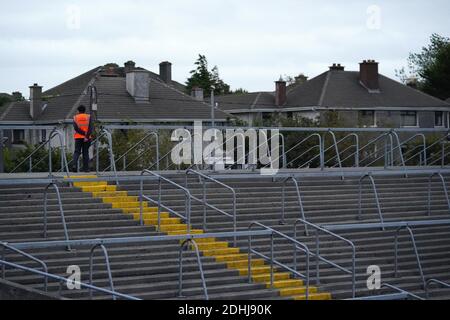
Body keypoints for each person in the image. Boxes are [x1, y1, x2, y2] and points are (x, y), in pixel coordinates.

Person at [72, 105, 93, 172]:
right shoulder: (88, 117)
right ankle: (86, 169)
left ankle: (74, 166)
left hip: (78, 137)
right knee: (85, 153)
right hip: (87, 138)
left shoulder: (75, 117)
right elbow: (90, 128)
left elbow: (76, 128)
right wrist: (86, 136)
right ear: (84, 110)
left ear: (78, 111)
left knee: (77, 152)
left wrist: (83, 133)